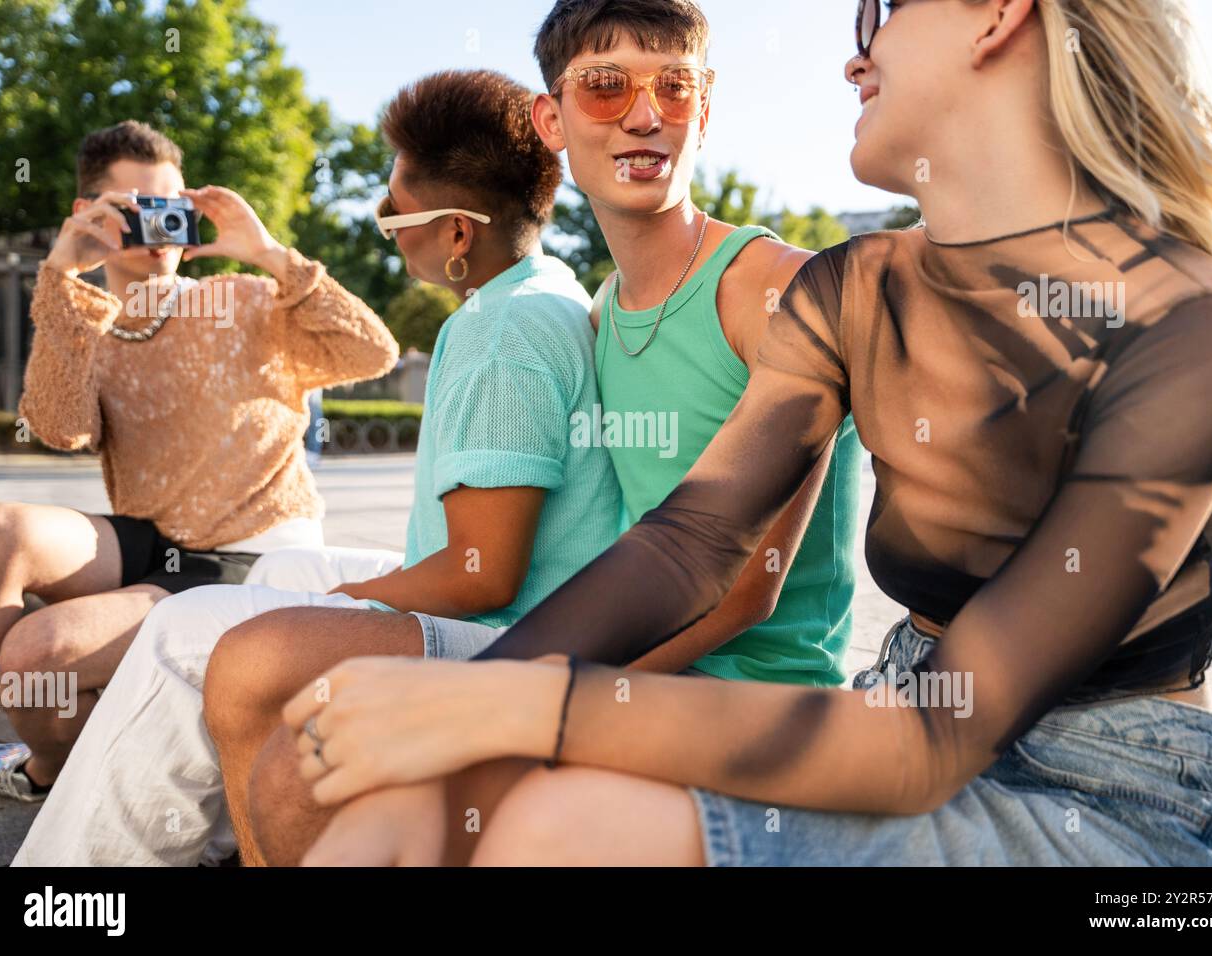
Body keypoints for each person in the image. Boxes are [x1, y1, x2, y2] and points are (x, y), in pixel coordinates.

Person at [288, 0, 1212, 867]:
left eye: (873, 15)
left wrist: (497, 704)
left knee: (560, 820)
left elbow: (933, 737)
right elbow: (689, 545)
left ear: (996, 13)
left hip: (1099, 807)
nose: (854, 57)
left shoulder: (1205, 325)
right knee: (420, 798)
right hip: (885, 710)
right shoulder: (852, 286)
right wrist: (456, 713)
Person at [236, 0, 864, 866]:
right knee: (297, 760)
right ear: (551, 118)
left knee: (339, 786)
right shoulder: (602, 309)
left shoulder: (772, 289)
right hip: (634, 666)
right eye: (605, 87)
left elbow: (747, 589)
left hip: (745, 699)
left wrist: (528, 704)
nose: (645, 115)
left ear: (706, 110)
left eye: (674, 88)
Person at [11, 69, 622, 866]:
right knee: (284, 577)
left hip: (512, 634)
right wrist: (66, 278)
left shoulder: (497, 331)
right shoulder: (538, 291)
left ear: (458, 233)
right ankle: (214, 822)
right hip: (527, 608)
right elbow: (55, 426)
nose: (384, 219)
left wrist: (350, 600)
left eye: (394, 202)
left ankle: (69, 880)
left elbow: (483, 579)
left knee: (185, 631)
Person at [0, 120, 399, 801]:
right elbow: (58, 428)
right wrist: (60, 277)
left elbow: (371, 351)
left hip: (255, 556)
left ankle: (48, 774)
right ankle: (48, 764)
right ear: (88, 216)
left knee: (34, 656)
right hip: (149, 543)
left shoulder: (246, 297)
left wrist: (268, 252)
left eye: (173, 209)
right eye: (137, 212)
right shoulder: (87, 320)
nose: (160, 230)